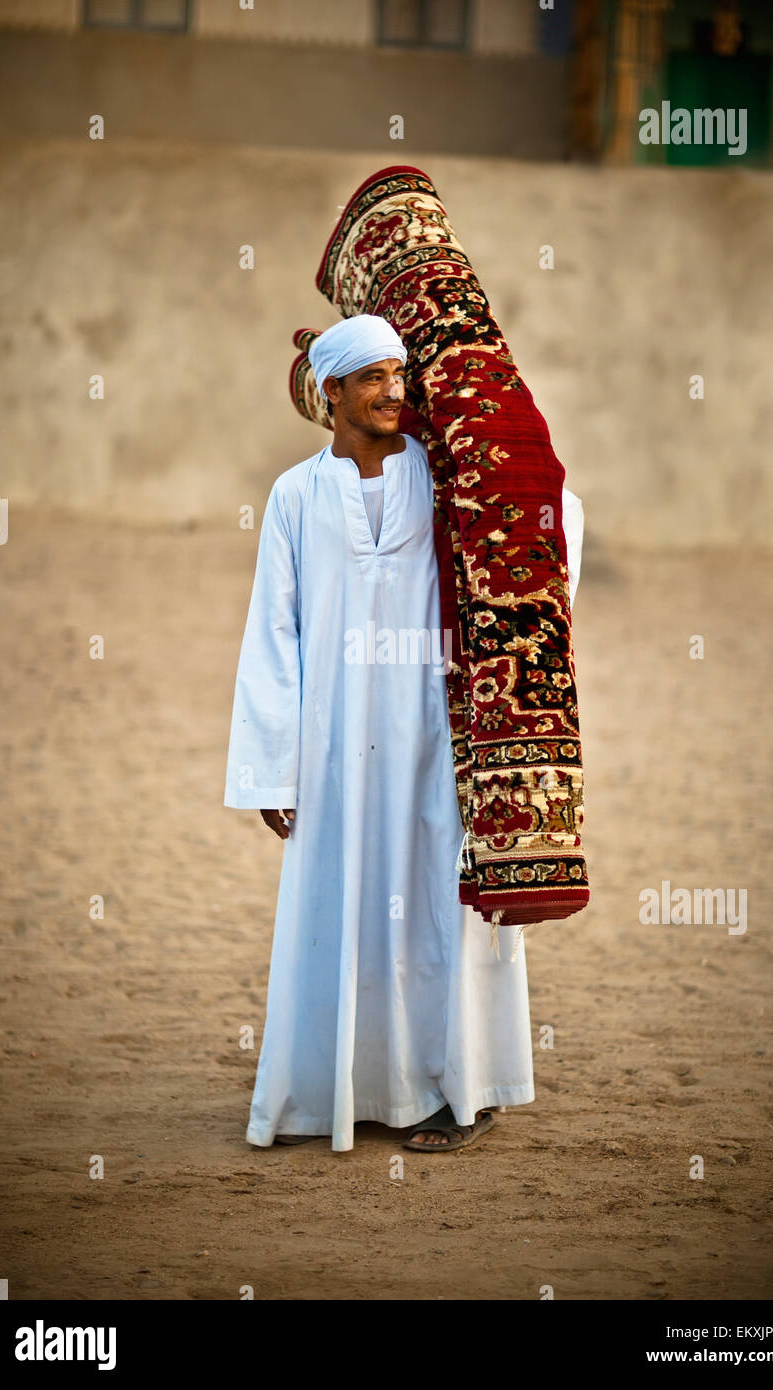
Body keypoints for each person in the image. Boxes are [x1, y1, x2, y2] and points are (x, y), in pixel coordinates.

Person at [224, 313, 583, 1153]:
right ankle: (345, 1092)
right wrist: (275, 772)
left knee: (436, 911)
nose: (393, 392)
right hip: (335, 745)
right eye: (373, 378)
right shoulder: (294, 495)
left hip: (435, 734)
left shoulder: (447, 476)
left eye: (400, 375)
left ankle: (459, 1092)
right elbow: (272, 637)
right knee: (339, 910)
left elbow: (546, 508)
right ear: (333, 393)